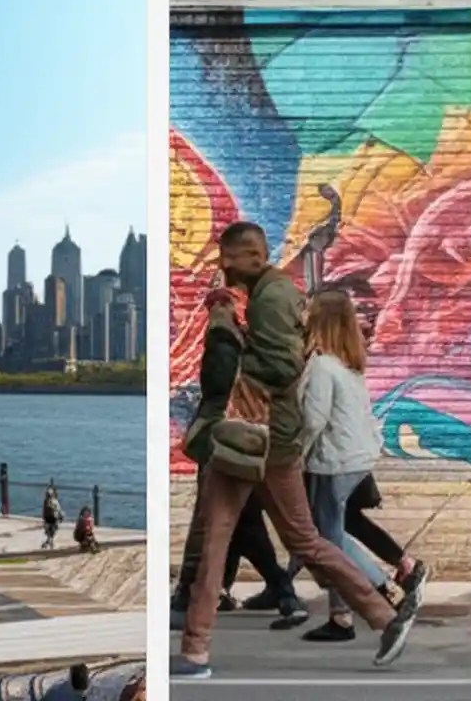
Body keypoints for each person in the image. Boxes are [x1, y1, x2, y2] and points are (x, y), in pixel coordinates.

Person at [174, 222, 418, 679]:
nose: (221, 265)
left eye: (228, 256)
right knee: (303, 540)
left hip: (251, 439)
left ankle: (196, 652)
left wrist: (223, 318)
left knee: (217, 540)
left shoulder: (271, 297)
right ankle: (384, 618)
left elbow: (278, 365)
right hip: (270, 442)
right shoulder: (275, 295)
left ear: (251, 255)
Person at [285, 290, 431, 642]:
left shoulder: (321, 365)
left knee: (328, 543)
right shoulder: (348, 364)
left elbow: (315, 419)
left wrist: (296, 452)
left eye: (308, 312)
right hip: (355, 458)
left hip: (332, 461)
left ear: (320, 320)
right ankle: (342, 614)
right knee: (330, 536)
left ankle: (381, 591)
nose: (302, 318)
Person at [171, 280, 305, 628]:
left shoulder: (222, 338)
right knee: (239, 519)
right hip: (254, 437)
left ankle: (278, 588)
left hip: (225, 440)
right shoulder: (251, 339)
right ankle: (220, 590)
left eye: (215, 307)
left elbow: (216, 385)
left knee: (225, 521)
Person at [42, 486, 64, 550]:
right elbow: (59, 510)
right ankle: (50, 542)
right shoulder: (55, 501)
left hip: (47, 519)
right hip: (54, 519)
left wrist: (44, 519)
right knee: (53, 530)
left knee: (49, 531)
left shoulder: (45, 501)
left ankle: (49, 540)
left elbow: (43, 512)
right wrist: (61, 517)